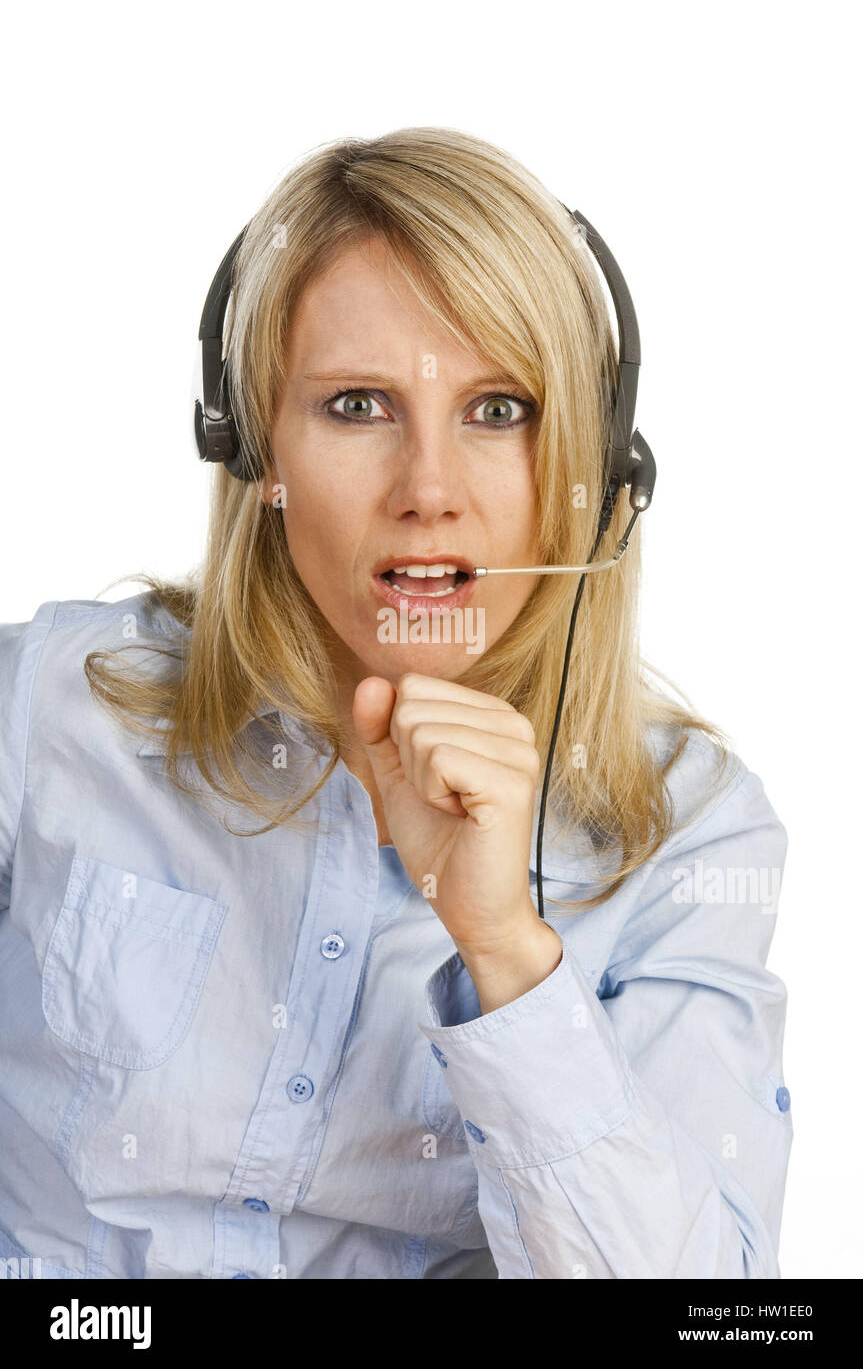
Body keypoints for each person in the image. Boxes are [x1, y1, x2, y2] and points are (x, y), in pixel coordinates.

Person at [0, 126, 791, 1280]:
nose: (428, 492)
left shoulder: (690, 833)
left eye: (498, 411)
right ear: (252, 444)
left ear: (597, 458)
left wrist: (508, 955)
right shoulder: (47, 715)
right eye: (358, 406)